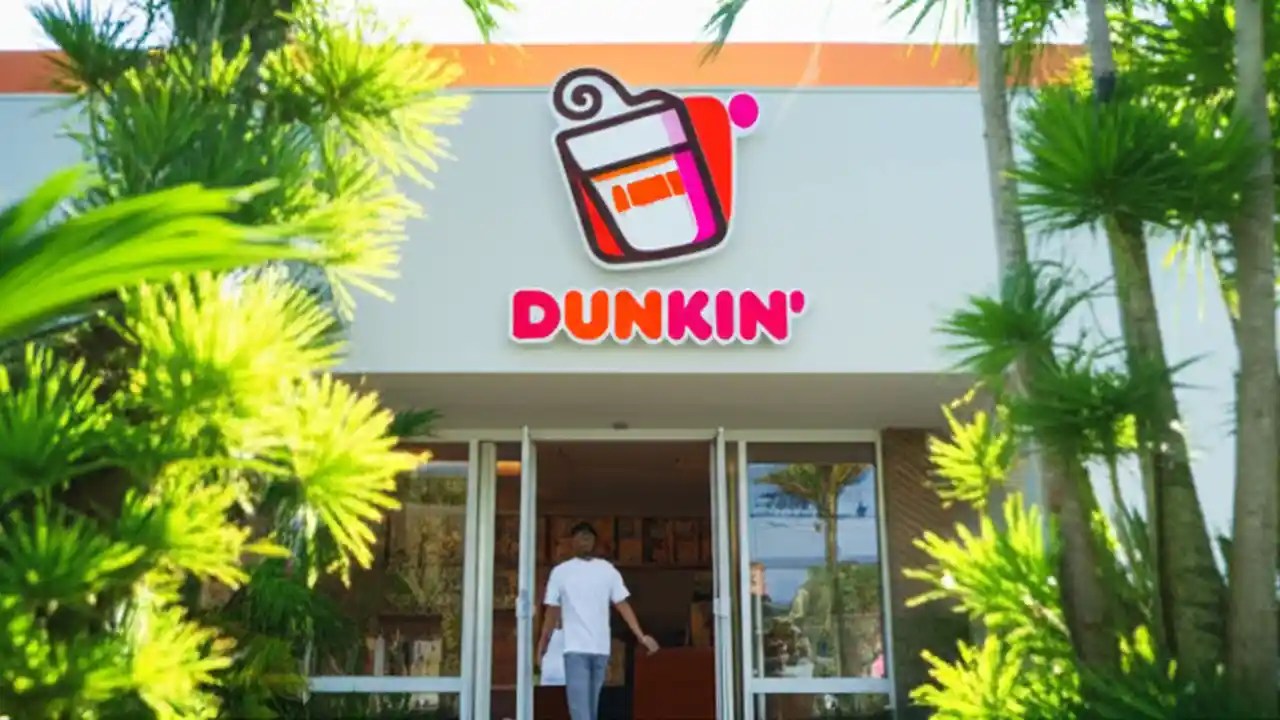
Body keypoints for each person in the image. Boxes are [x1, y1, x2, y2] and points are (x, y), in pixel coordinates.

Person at [537, 522, 659, 720]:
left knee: (590, 710)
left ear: (595, 542)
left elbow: (622, 605)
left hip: (601, 650)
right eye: (580, 536)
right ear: (572, 542)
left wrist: (641, 635)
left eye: (588, 536)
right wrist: (543, 643)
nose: (584, 540)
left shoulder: (607, 570)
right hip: (575, 650)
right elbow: (552, 612)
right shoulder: (561, 572)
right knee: (580, 711)